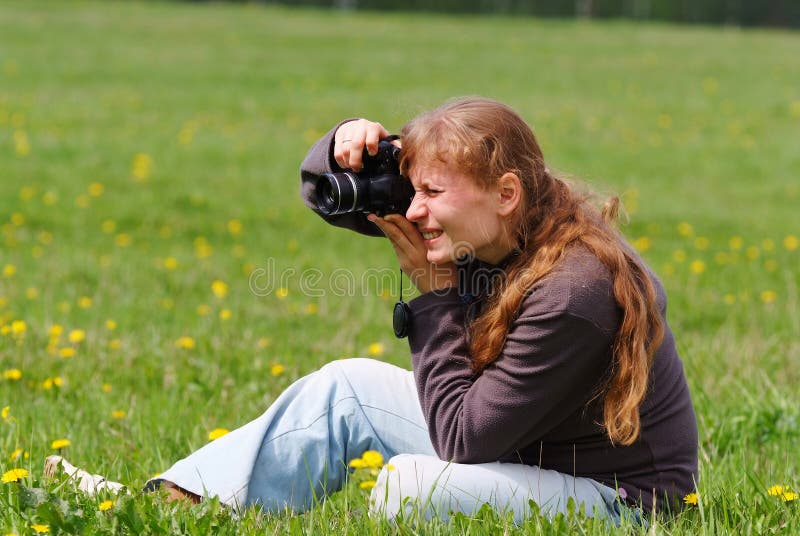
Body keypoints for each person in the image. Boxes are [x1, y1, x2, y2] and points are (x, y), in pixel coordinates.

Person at [45, 97, 697, 524]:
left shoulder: (573, 292)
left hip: (621, 507)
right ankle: (170, 509)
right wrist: (348, 149)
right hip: (533, 456)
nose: (414, 212)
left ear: (505, 192)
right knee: (345, 387)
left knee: (410, 487)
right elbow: (341, 199)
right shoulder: (498, 224)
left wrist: (436, 293)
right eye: (414, 191)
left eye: (432, 191)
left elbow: (463, 442)